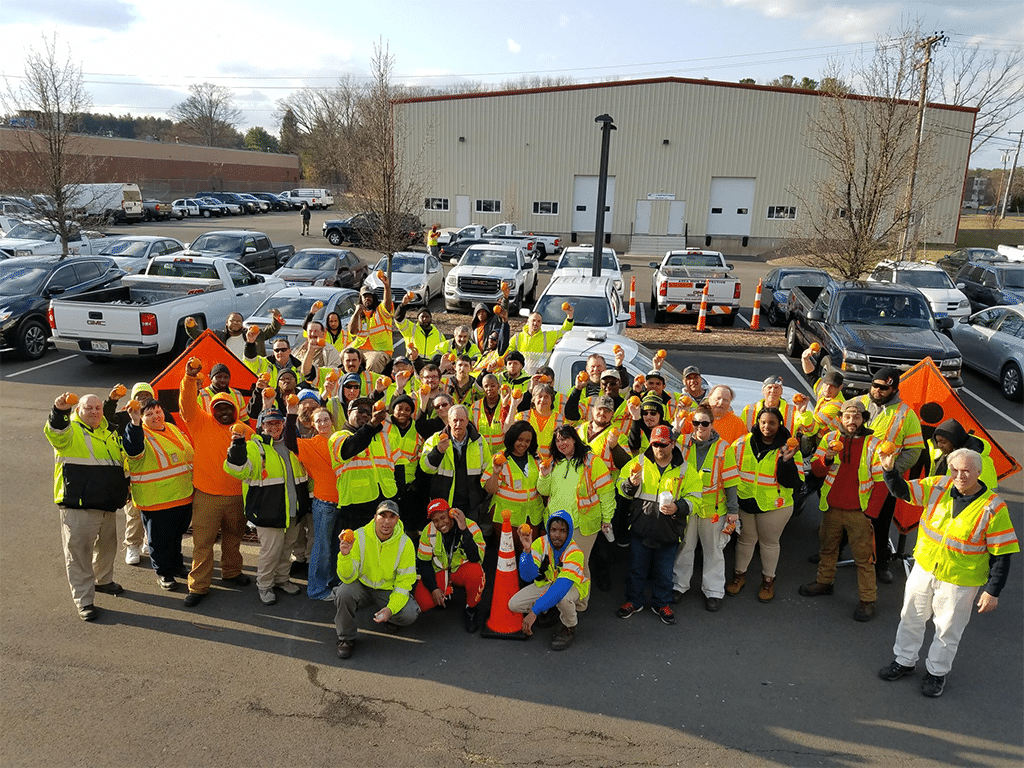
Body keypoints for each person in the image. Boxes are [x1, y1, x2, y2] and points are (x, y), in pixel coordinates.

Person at [878, 448, 1018, 698]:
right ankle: (904, 661)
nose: (959, 475)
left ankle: (936, 673)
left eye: (966, 471)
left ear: (978, 471)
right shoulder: (938, 486)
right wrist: (889, 471)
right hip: (924, 567)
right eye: (955, 470)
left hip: (960, 580)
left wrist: (992, 592)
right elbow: (902, 491)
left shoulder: (993, 507)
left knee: (948, 629)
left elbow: (1003, 553)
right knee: (911, 616)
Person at [44, 393, 130, 621]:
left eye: (97, 407)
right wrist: (59, 410)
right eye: (88, 408)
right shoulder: (70, 430)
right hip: (79, 506)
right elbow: (56, 431)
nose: (94, 411)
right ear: (78, 410)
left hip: (107, 504)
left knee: (107, 547)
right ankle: (84, 601)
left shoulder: (109, 431)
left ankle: (103, 580)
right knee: (79, 556)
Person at [799, 400, 886, 621]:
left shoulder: (874, 444)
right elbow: (817, 471)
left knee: (863, 559)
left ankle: (868, 600)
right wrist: (827, 457)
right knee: (827, 549)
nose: (851, 421)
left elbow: (881, 483)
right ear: (840, 418)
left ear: (864, 419)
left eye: (856, 417)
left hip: (859, 512)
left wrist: (871, 514)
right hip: (832, 508)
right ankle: (824, 582)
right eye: (847, 417)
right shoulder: (830, 439)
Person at [180, 360, 252, 608]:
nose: (223, 411)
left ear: (235, 409)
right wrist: (189, 379)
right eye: (218, 407)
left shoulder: (244, 431)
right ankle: (198, 587)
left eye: (227, 407)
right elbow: (187, 405)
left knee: (234, 538)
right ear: (211, 409)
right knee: (203, 543)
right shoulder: (200, 423)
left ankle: (232, 572)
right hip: (206, 496)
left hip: (236, 496)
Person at [225, 408, 310, 605]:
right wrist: (236, 444)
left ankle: (281, 580)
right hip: (268, 511)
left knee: (286, 549)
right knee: (270, 552)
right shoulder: (255, 447)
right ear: (262, 425)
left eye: (277, 423)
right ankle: (264, 586)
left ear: (283, 424)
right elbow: (236, 470)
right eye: (269, 423)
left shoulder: (292, 445)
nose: (274, 427)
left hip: (292, 511)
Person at [618, 425, 701, 625]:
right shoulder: (639, 463)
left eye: (663, 444)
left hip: (669, 531)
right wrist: (631, 483)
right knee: (637, 569)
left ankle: (661, 603)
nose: (659, 449)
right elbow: (621, 488)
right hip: (641, 528)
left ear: (672, 443)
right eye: (655, 444)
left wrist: (678, 507)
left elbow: (696, 499)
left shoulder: (685, 469)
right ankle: (634, 601)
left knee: (664, 572)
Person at [724, 407, 803, 603]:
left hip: (775, 506)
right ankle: (739, 575)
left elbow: (796, 482)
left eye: (772, 423)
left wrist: (786, 462)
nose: (767, 426)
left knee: (769, 543)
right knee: (745, 541)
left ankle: (768, 580)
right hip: (746, 502)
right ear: (758, 423)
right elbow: (729, 472)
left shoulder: (789, 448)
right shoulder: (741, 444)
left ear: (780, 425)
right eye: (763, 422)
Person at [537, 425, 615, 607]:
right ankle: (559, 600)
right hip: (557, 524)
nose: (561, 443)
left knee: (579, 563)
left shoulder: (592, 461)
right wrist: (543, 475)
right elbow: (543, 490)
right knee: (557, 565)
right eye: (557, 440)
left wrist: (607, 519)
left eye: (565, 439)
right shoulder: (554, 462)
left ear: (575, 439)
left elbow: (607, 492)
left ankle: (580, 603)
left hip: (583, 523)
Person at [859, 366, 924, 584]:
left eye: (883, 388)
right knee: (847, 516)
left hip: (882, 481)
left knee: (880, 523)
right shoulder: (859, 403)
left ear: (894, 389)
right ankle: (836, 552)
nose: (876, 391)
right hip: (855, 476)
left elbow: (914, 450)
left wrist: (891, 470)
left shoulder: (906, 414)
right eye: (874, 385)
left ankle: (881, 564)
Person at [672, 405, 739, 612]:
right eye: (696, 423)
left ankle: (713, 592)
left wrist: (733, 511)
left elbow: (730, 483)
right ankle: (679, 586)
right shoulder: (682, 442)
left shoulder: (723, 448)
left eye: (704, 423)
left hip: (713, 510)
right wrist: (675, 429)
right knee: (685, 547)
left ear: (712, 424)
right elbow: (662, 447)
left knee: (713, 552)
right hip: (688, 507)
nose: (699, 427)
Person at [333, 500, 420, 660]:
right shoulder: (359, 536)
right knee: (343, 592)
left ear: (398, 519)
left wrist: (390, 609)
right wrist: (345, 555)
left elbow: (404, 583)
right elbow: (347, 577)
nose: (387, 521)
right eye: (382, 515)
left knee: (409, 614)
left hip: (387, 590)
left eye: (391, 517)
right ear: (375, 517)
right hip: (362, 586)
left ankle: (389, 616)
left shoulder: (405, 543)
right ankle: (345, 639)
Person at [123, 399, 194, 592]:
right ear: (142, 418)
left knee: (176, 535)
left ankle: (177, 564)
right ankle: (164, 572)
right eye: (149, 414)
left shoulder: (171, 427)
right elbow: (134, 449)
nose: (156, 416)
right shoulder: (139, 433)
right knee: (159, 539)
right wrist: (135, 422)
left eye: (158, 411)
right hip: (156, 499)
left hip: (182, 495)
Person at [509, 510, 588, 651]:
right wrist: (526, 551)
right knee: (514, 605)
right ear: (548, 529)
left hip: (570, 587)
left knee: (562, 598)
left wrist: (534, 612)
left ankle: (570, 627)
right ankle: (549, 608)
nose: (557, 535)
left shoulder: (575, 552)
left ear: (569, 532)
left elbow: (561, 588)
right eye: (553, 530)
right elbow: (527, 576)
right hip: (548, 583)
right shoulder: (540, 543)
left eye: (563, 531)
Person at [285, 404, 340, 601]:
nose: (323, 423)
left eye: (326, 419)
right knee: (322, 547)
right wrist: (291, 414)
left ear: (332, 420)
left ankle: (333, 582)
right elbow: (290, 441)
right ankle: (316, 589)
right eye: (319, 421)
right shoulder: (310, 444)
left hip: (343, 502)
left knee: (337, 546)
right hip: (324, 503)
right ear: (312, 425)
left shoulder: (340, 440)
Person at [103, 381, 161, 565]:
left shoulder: (160, 415)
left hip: (155, 472)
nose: (143, 399)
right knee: (134, 513)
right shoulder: (123, 417)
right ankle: (132, 545)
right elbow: (104, 419)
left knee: (154, 512)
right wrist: (112, 400)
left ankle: (147, 542)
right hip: (131, 474)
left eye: (147, 395)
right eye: (139, 396)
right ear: (132, 399)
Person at [413, 498, 486, 632]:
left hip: (461, 570)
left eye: (443, 517)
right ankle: (444, 594)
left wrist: (464, 530)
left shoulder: (471, 527)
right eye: (435, 520)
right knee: (422, 603)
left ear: (451, 514)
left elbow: (476, 558)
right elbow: (423, 563)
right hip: (440, 571)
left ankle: (471, 609)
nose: (440, 523)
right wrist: (433, 588)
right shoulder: (428, 532)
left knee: (476, 573)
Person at [419, 404, 492, 534]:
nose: (458, 424)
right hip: (444, 501)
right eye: (454, 420)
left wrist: (480, 497)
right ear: (449, 421)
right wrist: (438, 451)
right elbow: (426, 468)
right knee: (446, 536)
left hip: (471, 503)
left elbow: (487, 470)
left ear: (468, 421)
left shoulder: (480, 441)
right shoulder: (435, 439)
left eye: (462, 420)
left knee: (470, 536)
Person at [329, 397, 395, 531]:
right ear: (348, 413)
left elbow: (397, 464)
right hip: (355, 506)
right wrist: (372, 425)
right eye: (360, 410)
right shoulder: (338, 436)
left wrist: (397, 490)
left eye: (369, 412)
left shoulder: (383, 437)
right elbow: (350, 448)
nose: (365, 414)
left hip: (385, 500)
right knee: (356, 548)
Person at [482, 421, 543, 546]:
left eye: (527, 441)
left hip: (532, 516)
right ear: (512, 438)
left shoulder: (536, 457)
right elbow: (490, 489)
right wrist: (495, 473)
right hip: (506, 518)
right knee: (507, 556)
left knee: (529, 552)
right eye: (520, 439)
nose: (523, 444)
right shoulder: (500, 458)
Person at [185, 310, 282, 361]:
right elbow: (197, 335)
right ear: (227, 323)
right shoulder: (217, 336)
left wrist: (276, 319)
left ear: (242, 323)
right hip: (226, 375)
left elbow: (271, 330)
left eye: (239, 321)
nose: (235, 322)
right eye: (232, 320)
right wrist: (190, 326)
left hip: (251, 374)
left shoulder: (253, 335)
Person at [507, 306, 574, 374]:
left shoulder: (548, 336)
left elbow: (564, 331)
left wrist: (570, 316)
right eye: (533, 320)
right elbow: (507, 354)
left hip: (540, 377)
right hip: (521, 378)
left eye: (539, 321)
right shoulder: (517, 337)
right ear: (527, 321)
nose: (536, 323)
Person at [348, 283, 394, 373]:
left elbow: (388, 302)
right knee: (344, 355)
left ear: (374, 298)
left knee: (373, 362)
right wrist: (356, 313)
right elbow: (352, 331)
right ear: (360, 299)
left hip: (379, 350)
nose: (367, 298)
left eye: (370, 296)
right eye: (364, 296)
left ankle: (371, 386)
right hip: (359, 348)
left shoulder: (381, 311)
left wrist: (386, 287)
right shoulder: (359, 314)